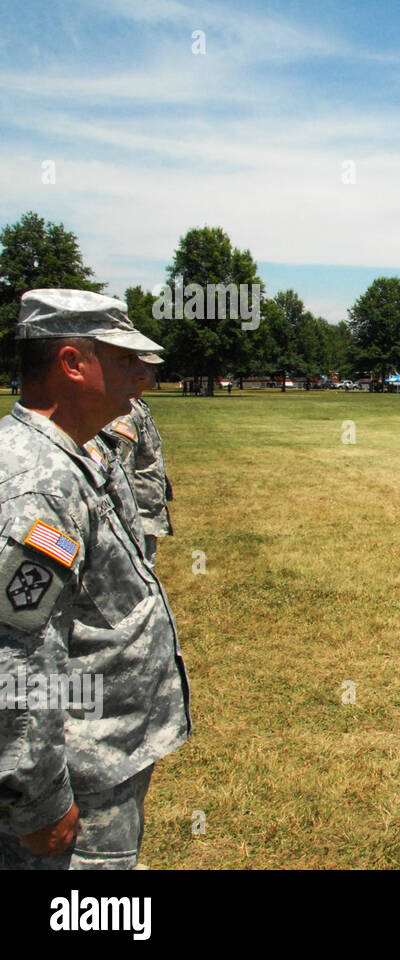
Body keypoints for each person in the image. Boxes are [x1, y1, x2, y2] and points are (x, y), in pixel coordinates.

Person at [0, 289, 191, 870]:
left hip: (103, 760)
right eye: (125, 359)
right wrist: (37, 802)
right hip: (75, 776)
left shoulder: (79, 456)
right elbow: (16, 658)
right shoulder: (38, 488)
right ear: (72, 363)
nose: (144, 376)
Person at [98, 356, 173, 564]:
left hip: (144, 514)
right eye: (148, 366)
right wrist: (126, 524)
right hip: (134, 520)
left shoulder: (136, 405)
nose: (153, 371)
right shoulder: (125, 413)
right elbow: (121, 475)